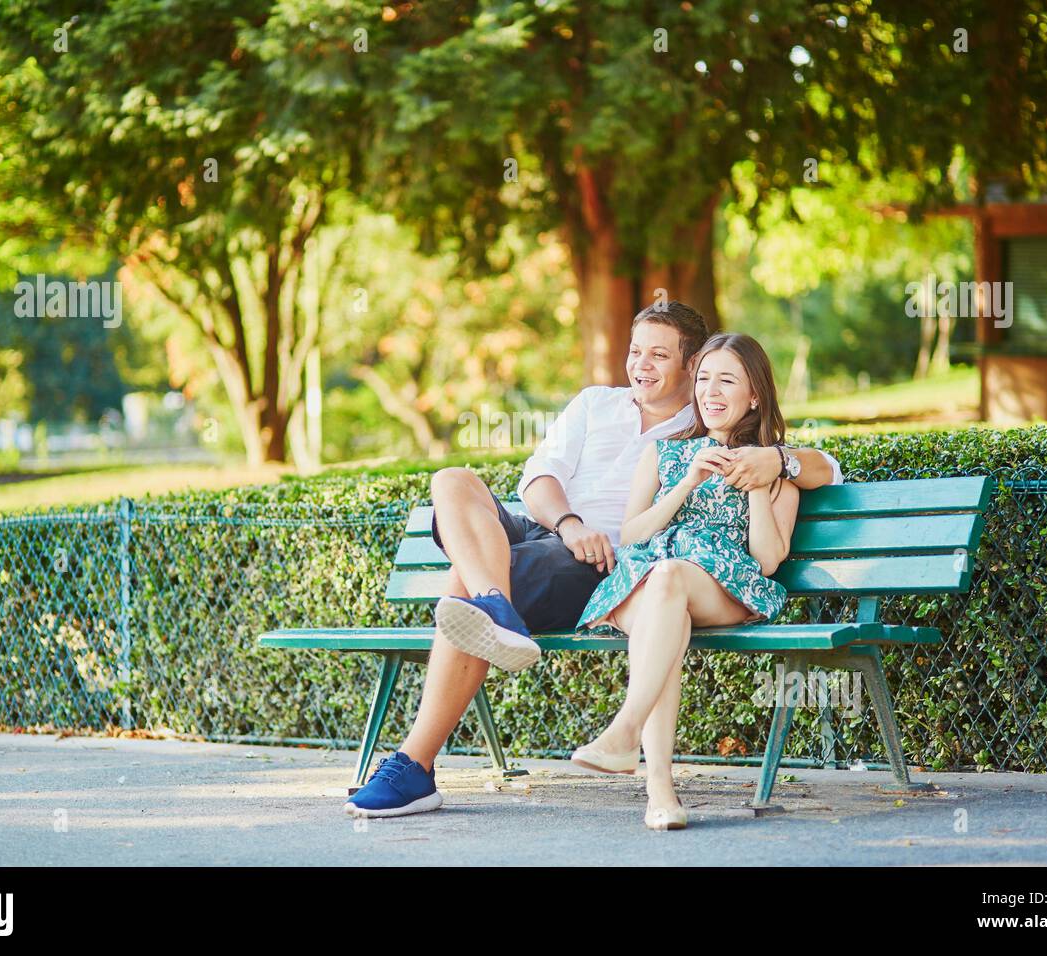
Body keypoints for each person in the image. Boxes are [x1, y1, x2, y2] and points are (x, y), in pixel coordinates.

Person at [344, 304, 843, 818]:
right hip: (551, 529)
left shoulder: (705, 420)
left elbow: (824, 467)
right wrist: (568, 523)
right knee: (452, 481)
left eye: (659, 354)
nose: (641, 365)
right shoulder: (595, 404)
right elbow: (538, 478)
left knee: (464, 584)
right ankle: (499, 609)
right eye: (635, 352)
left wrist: (774, 462)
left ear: (691, 365)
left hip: (602, 562)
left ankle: (416, 761)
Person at [570, 332, 799, 830]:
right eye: (703, 380)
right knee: (663, 603)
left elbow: (766, 561)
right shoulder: (665, 454)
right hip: (648, 576)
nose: (711, 392)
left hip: (723, 586)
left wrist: (756, 484)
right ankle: (659, 795)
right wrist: (686, 483)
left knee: (669, 584)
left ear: (754, 395)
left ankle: (631, 742)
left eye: (727, 381)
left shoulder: (772, 464)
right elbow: (631, 536)